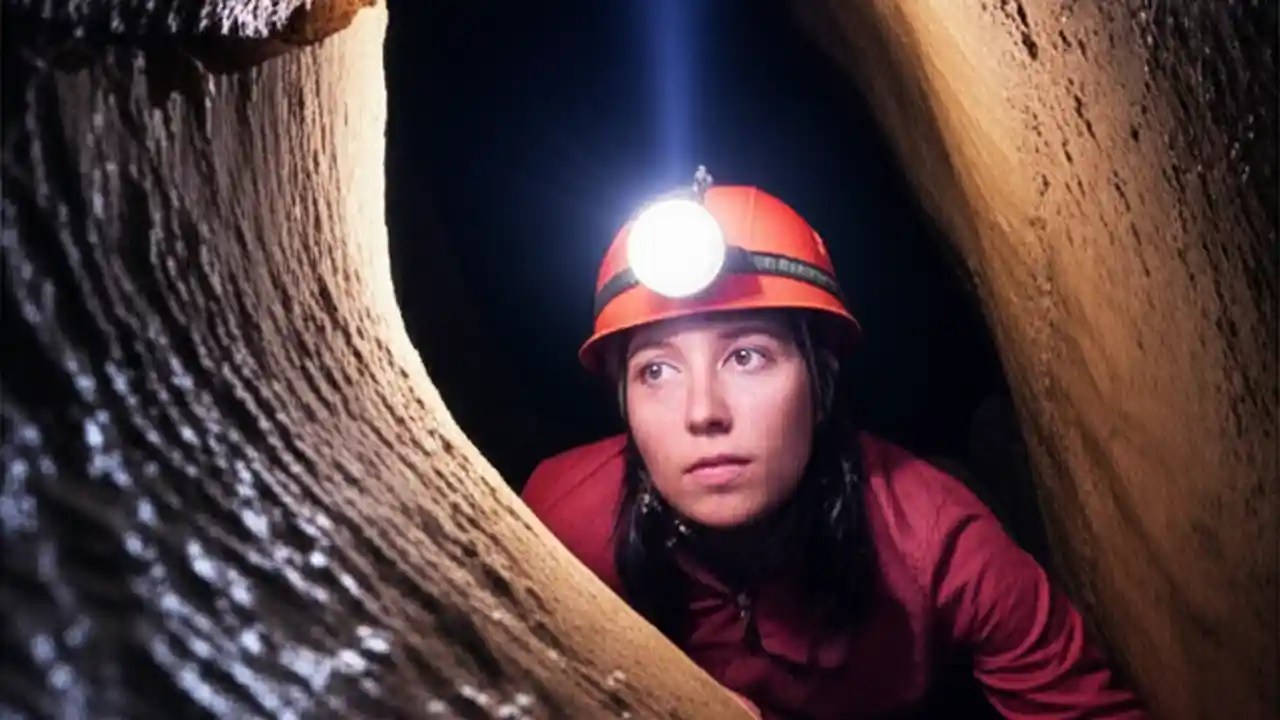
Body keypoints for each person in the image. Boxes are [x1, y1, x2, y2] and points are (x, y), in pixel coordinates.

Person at [522, 173, 1148, 719]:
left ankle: (991, 443)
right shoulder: (560, 524)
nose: (703, 412)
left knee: (992, 477)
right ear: (623, 404)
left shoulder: (937, 542)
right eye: (657, 371)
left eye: (746, 356)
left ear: (819, 386)